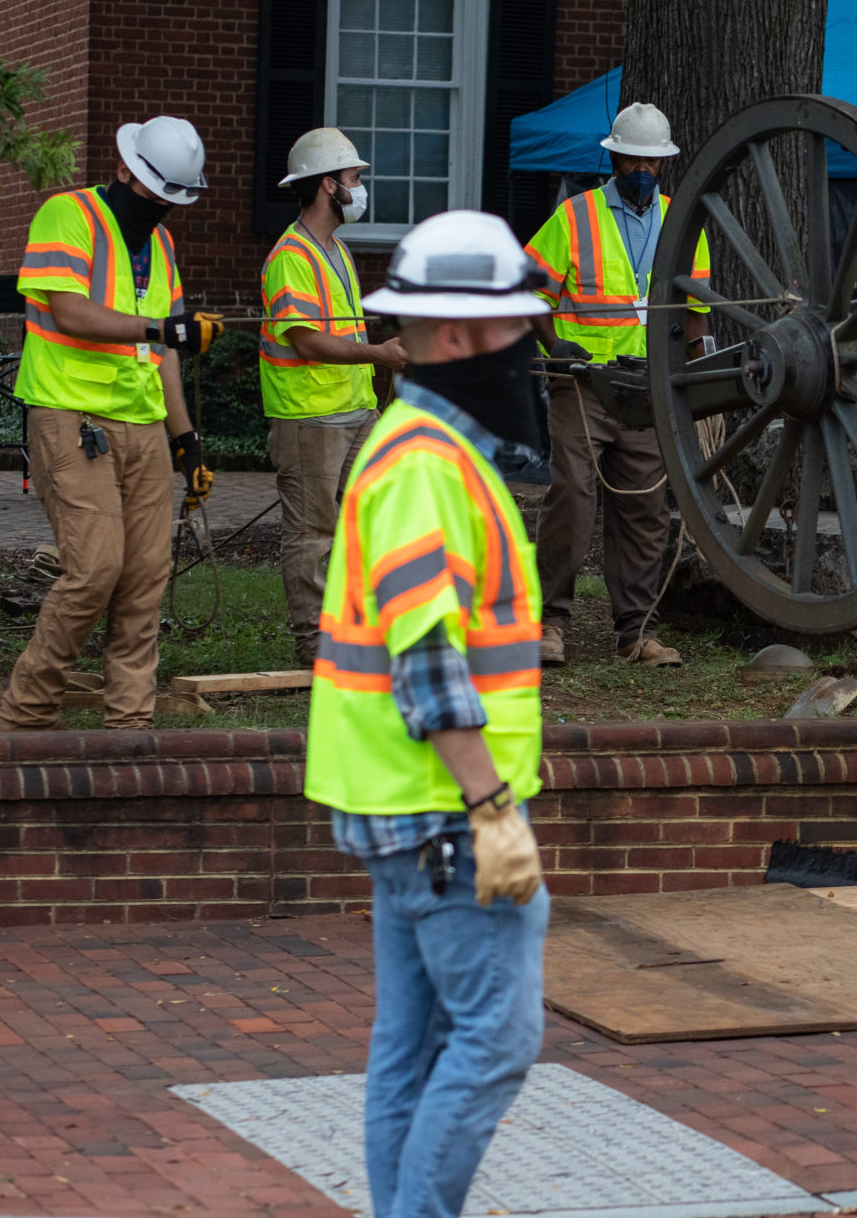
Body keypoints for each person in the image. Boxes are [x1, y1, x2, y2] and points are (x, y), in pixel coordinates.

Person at [304, 209, 549, 1218]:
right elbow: (428, 661)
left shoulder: (420, 451)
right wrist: (491, 808)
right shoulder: (422, 465)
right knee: (494, 1041)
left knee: (409, 1051)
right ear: (456, 334)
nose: (523, 348)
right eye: (511, 330)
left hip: (402, 810)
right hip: (442, 817)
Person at [0, 117, 223, 731]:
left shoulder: (163, 245)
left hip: (144, 424)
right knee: (94, 569)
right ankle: (23, 720)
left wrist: (186, 441)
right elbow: (69, 313)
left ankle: (129, 727)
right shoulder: (65, 216)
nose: (159, 209)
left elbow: (166, 351)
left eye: (172, 200)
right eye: (154, 195)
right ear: (125, 169)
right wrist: (162, 329)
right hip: (70, 415)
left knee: (145, 577)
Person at [523, 101, 709, 668]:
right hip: (583, 385)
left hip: (646, 391)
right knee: (574, 500)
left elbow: (695, 309)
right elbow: (527, 294)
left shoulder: (682, 220)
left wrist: (695, 377)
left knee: (645, 512)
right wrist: (555, 347)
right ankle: (549, 624)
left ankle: (636, 633)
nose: (644, 172)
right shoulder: (573, 217)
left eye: (654, 162)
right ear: (616, 157)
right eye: (635, 161)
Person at [262, 127, 409, 662]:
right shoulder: (291, 256)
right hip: (309, 416)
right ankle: (316, 642)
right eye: (353, 179)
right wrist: (380, 356)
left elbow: (348, 331)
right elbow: (305, 338)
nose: (359, 188)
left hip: (353, 409)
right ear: (329, 185)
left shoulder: (336, 251)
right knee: (313, 532)